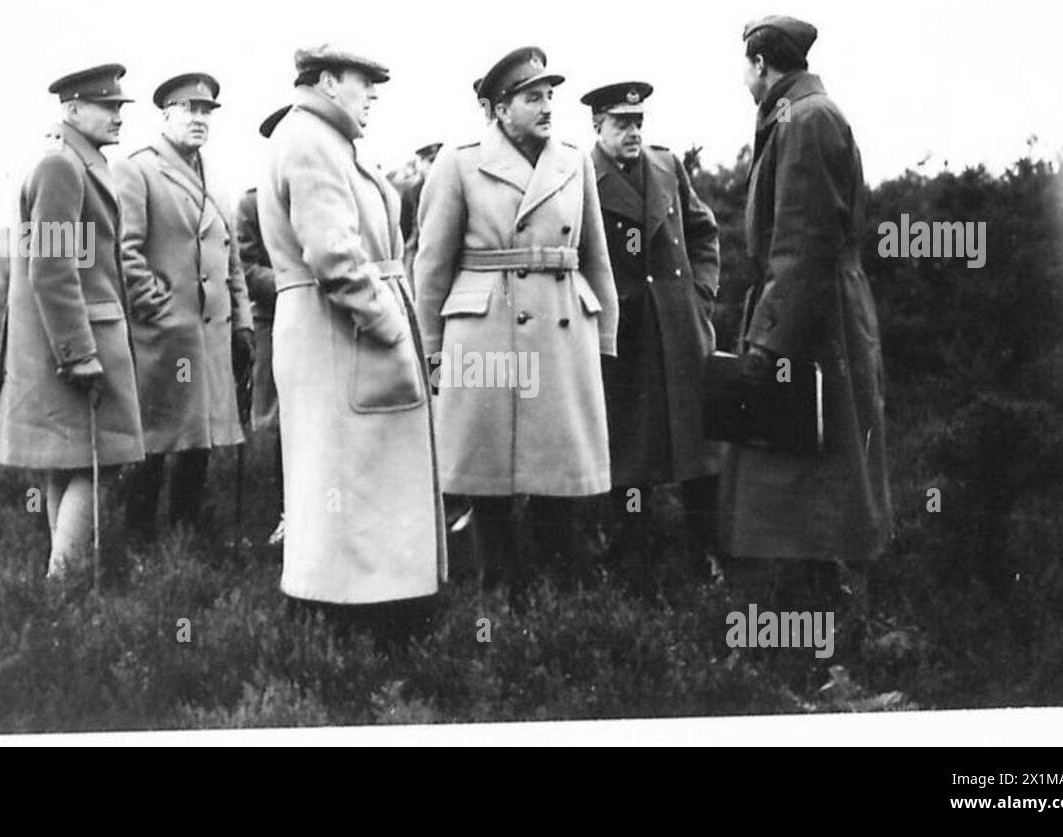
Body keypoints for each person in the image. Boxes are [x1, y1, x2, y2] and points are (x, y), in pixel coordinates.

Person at [414, 47, 619, 591]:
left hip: (561, 328)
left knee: (558, 474)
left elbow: (596, 257)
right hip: (484, 333)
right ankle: (496, 593)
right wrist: (432, 351)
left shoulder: (574, 162)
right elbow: (431, 265)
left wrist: (605, 338)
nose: (547, 106)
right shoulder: (459, 162)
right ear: (500, 109)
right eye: (532, 97)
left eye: (550, 95)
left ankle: (556, 597)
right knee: (488, 479)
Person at [257, 45, 445, 637]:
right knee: (341, 476)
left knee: (350, 477)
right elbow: (334, 257)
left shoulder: (322, 138)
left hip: (337, 330)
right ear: (330, 81)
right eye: (365, 83)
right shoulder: (309, 140)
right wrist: (388, 326)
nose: (372, 95)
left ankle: (363, 608)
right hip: (337, 332)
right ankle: (350, 617)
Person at [721, 16, 892, 604]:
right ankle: (819, 628)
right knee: (806, 475)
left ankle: (831, 639)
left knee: (818, 476)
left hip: (816, 324)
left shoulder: (807, 119)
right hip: (812, 314)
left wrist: (765, 346)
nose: (743, 77)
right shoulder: (800, 114)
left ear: (762, 64)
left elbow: (801, 243)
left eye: (745, 65)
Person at [0, 64, 145, 579]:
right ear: (73, 109)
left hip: (78, 334)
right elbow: (53, 268)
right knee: (102, 466)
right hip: (79, 339)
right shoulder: (62, 166)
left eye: (120, 106)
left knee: (71, 462)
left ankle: (61, 592)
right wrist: (79, 353)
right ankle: (65, 588)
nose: (117, 115)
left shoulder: (77, 163)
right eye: (107, 106)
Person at [581, 81, 723, 586]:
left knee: (699, 448)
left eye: (638, 122)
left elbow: (704, 231)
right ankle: (631, 565)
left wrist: (700, 294)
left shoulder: (668, 166)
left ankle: (708, 556)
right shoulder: (581, 177)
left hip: (680, 328)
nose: (633, 132)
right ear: (596, 125)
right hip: (626, 335)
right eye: (621, 123)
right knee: (631, 453)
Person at [115, 73, 254, 538]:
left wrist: (244, 325)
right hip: (165, 335)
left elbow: (231, 259)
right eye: (189, 110)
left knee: (201, 441)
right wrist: (156, 307)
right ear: (166, 115)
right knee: (155, 439)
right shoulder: (139, 170)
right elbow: (125, 250)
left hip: (211, 335)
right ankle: (137, 544)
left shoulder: (215, 178)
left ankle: (185, 540)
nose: (199, 120)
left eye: (206, 111)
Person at [235, 105, 291, 548]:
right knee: (280, 420)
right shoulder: (255, 202)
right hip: (277, 320)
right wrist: (294, 285)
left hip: (333, 322)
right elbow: (247, 268)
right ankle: (287, 513)